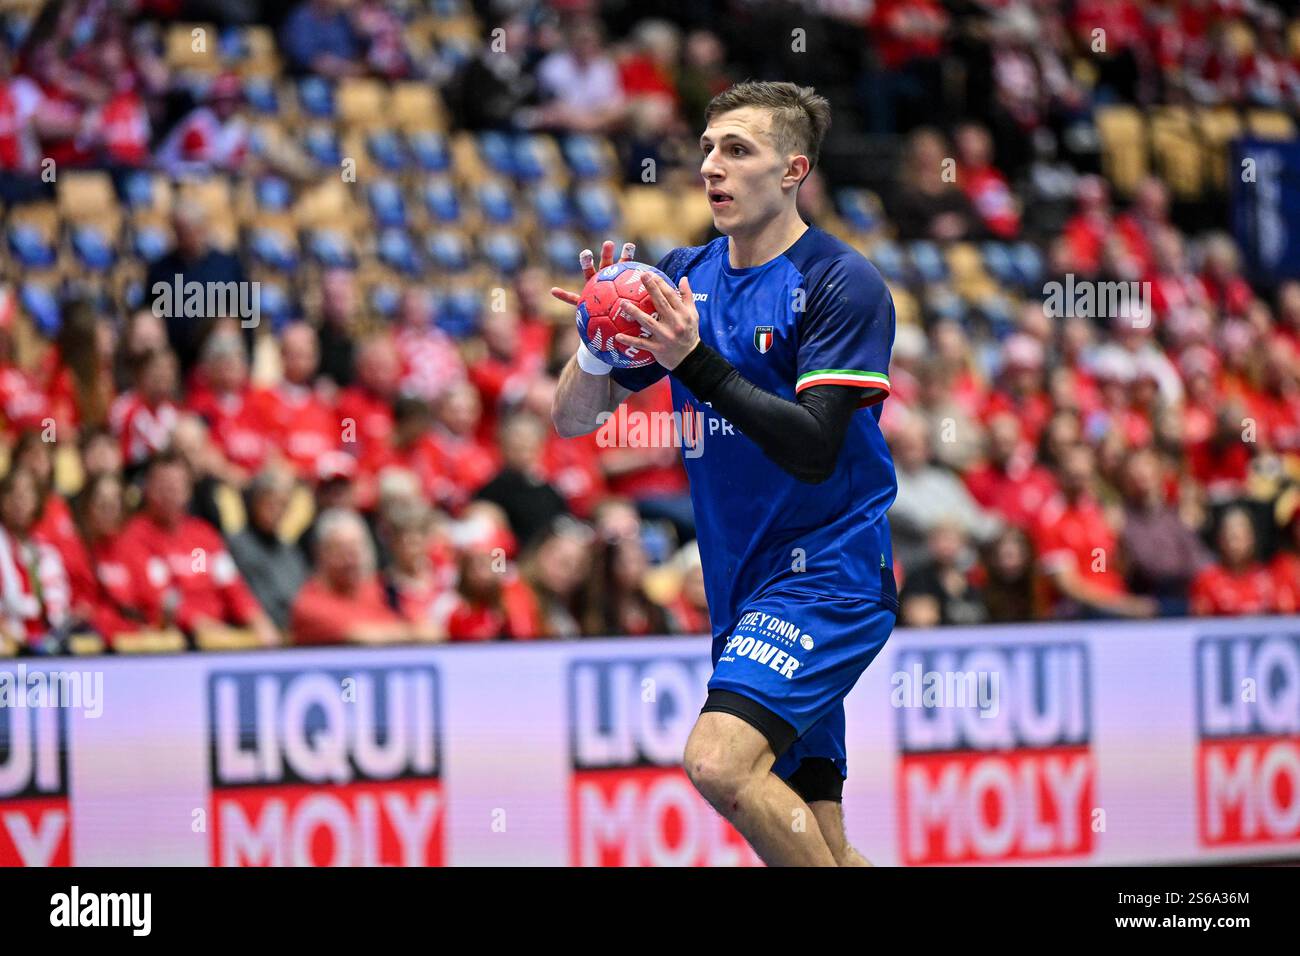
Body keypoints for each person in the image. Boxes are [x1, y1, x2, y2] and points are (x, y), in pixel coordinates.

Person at [550, 82, 897, 866]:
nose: (711, 166)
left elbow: (812, 447)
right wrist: (595, 348)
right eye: (706, 148)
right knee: (822, 839)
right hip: (740, 586)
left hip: (829, 578)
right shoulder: (683, 277)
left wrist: (691, 360)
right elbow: (573, 418)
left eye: (737, 150)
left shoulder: (843, 284)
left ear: (792, 171)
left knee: (718, 761)